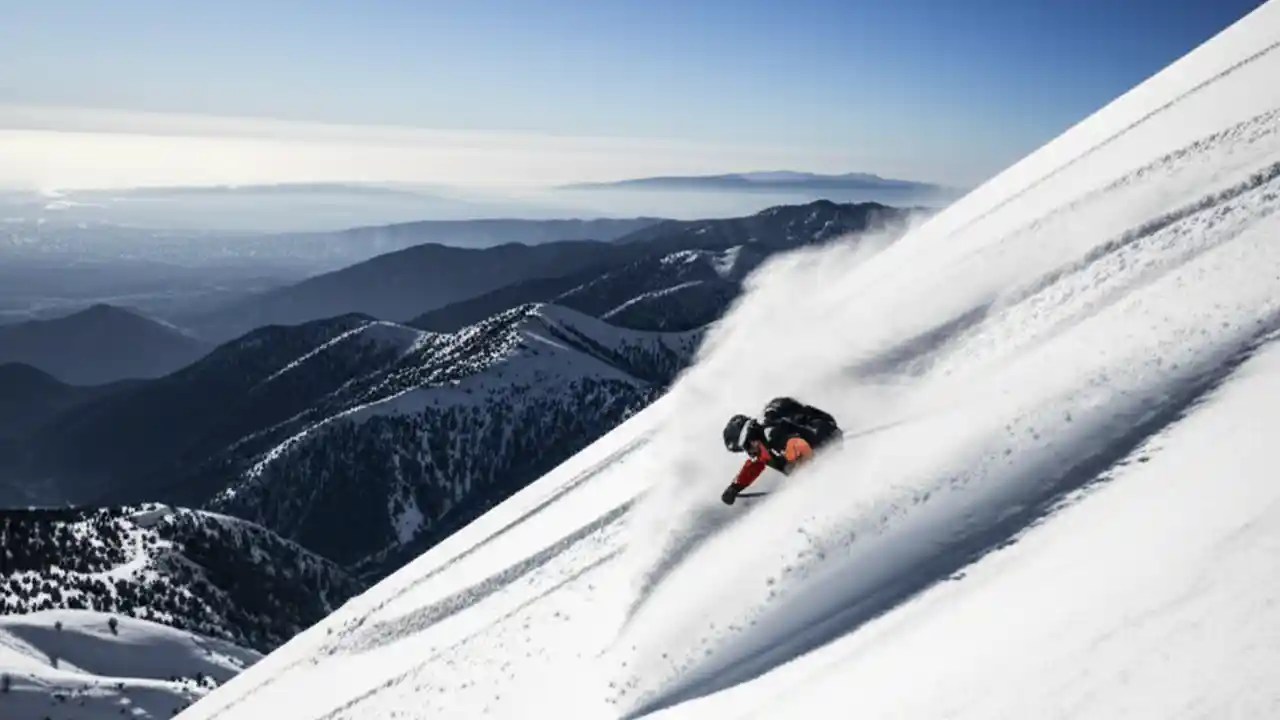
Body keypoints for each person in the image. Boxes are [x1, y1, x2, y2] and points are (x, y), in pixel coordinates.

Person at [720, 397, 842, 505]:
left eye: (746, 446)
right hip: (822, 457)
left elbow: (799, 445)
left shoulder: (772, 433)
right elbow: (755, 465)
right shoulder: (763, 443)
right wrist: (735, 487)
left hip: (826, 441)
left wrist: (804, 474)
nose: (749, 451)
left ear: (750, 435)